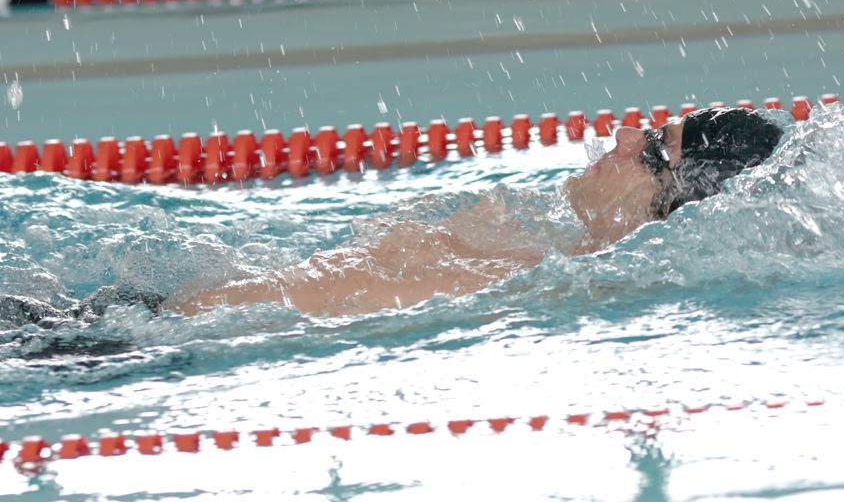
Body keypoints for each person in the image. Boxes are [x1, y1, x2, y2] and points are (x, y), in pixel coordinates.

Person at [165, 106, 784, 316]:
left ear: (663, 206)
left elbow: (248, 309)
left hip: (118, 344)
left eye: (652, 146)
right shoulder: (549, 255)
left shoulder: (527, 284)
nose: (624, 136)